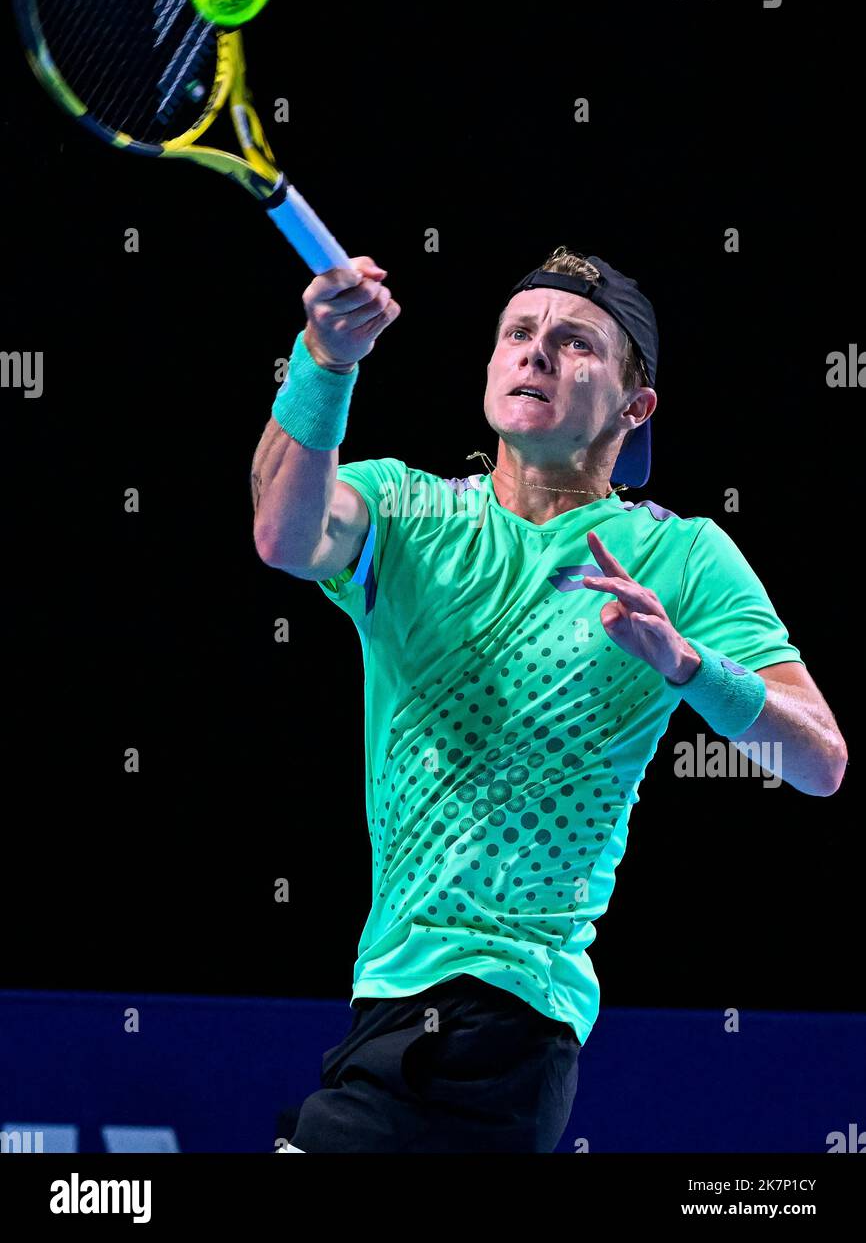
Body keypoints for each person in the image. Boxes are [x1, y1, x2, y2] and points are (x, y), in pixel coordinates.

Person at [252, 246, 847, 1153]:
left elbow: (819, 762)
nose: (535, 353)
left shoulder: (681, 558)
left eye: (575, 344)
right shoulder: (406, 511)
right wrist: (324, 361)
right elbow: (285, 534)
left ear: (634, 406)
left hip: (506, 1017)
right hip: (387, 998)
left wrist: (690, 667)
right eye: (519, 333)